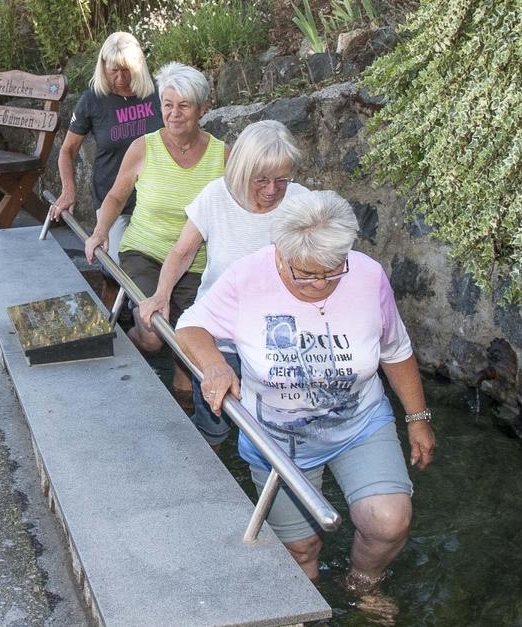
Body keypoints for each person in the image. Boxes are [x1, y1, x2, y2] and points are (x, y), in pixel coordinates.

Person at [175, 190, 436, 605]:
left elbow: (395, 349)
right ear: (279, 253)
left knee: (389, 523)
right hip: (278, 438)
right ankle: (307, 607)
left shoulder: (367, 276)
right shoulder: (248, 278)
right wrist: (215, 365)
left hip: (359, 423)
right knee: (302, 551)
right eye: (305, 274)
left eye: (332, 272)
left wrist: (417, 417)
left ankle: (362, 585)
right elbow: (190, 327)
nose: (320, 284)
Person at [139, 120, 307, 447]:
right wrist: (161, 294)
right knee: (213, 420)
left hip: (278, 338)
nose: (272, 190)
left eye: (281, 180)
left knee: (277, 428)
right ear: (242, 169)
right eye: (261, 180)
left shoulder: (301, 202)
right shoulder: (217, 196)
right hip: (219, 333)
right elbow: (183, 251)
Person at [82, 61, 227, 398]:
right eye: (167, 104)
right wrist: (101, 231)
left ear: (203, 108)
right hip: (144, 251)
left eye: (184, 106)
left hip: (196, 260)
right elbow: (117, 195)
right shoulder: (144, 146)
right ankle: (131, 341)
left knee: (188, 340)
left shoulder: (222, 156)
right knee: (152, 334)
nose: (174, 114)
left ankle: (185, 410)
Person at [49, 32, 162, 269]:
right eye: (114, 71)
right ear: (103, 66)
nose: (120, 78)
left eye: (127, 70)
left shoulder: (158, 94)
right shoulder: (93, 100)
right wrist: (69, 191)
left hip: (155, 197)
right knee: (119, 267)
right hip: (113, 199)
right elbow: (67, 150)